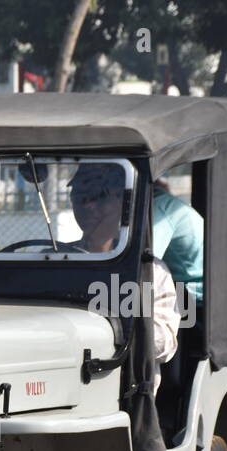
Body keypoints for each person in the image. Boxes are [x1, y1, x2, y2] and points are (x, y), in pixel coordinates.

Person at [68, 163, 179, 395]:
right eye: (79, 196)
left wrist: (112, 328)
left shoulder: (150, 272)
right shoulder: (57, 262)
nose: (87, 205)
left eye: (98, 197)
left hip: (127, 396)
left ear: (122, 202)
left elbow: (164, 344)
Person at [152, 178, 205, 303]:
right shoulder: (160, 204)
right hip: (181, 288)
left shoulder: (158, 207)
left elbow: (143, 266)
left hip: (195, 299)